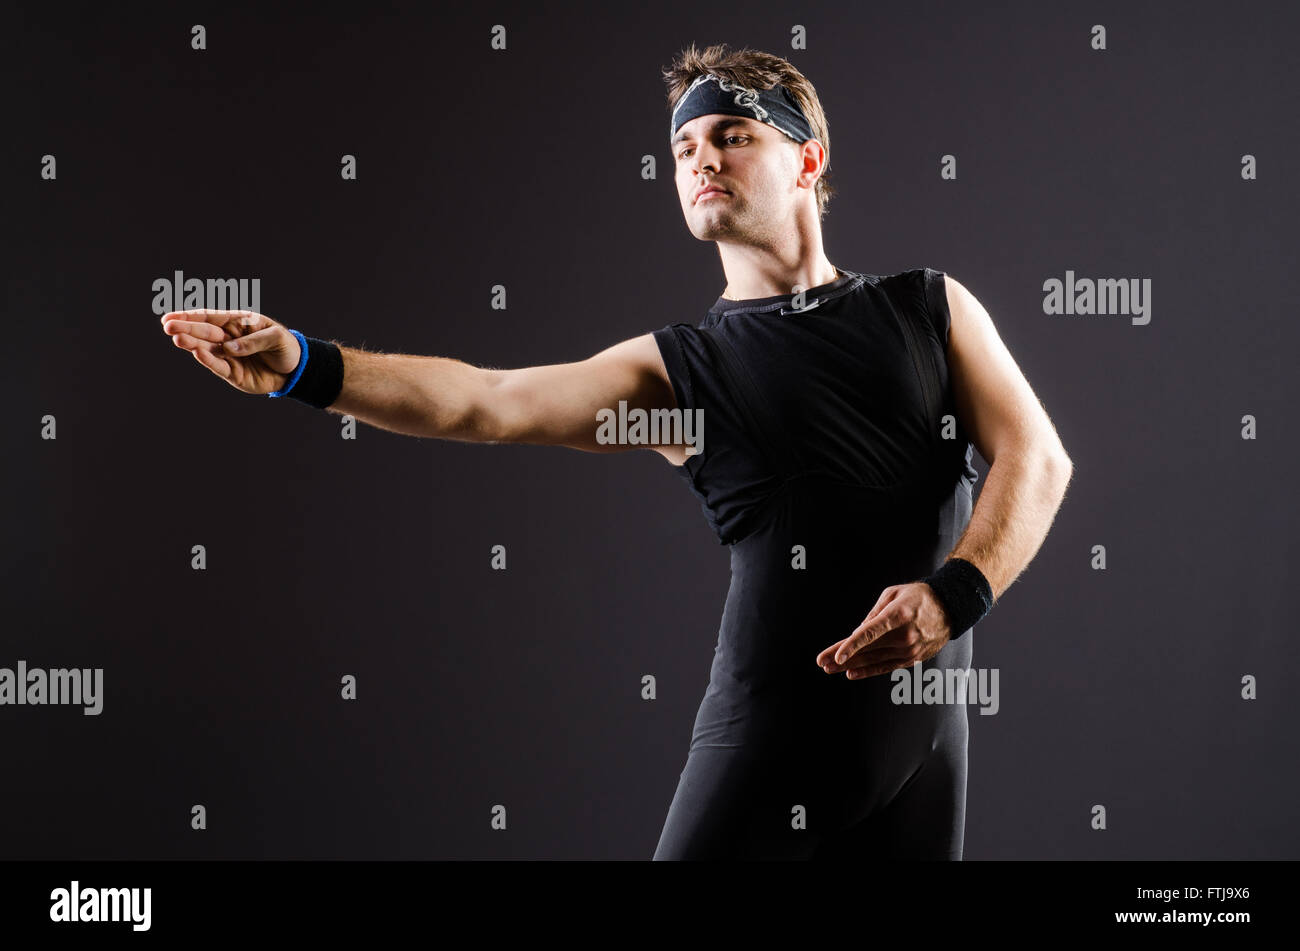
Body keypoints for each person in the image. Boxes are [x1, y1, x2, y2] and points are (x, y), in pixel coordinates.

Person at [160, 43, 1073, 860]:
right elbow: (487, 402)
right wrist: (306, 365)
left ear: (809, 158)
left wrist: (954, 597)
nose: (701, 160)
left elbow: (1037, 458)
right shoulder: (680, 373)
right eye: (684, 148)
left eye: (733, 136)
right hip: (766, 748)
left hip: (923, 756)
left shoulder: (927, 308)